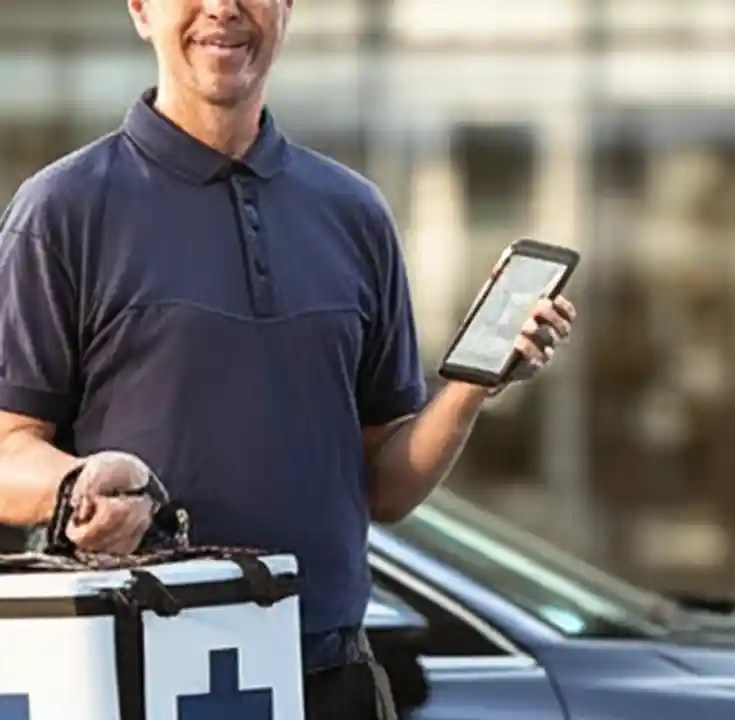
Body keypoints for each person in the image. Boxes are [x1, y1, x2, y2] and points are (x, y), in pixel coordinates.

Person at [0, 0, 576, 717]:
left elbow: (387, 488)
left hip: (330, 678)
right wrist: (76, 487)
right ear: (141, 9)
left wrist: (470, 385)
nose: (222, 9)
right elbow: (6, 449)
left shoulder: (353, 212)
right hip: (136, 680)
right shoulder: (62, 209)